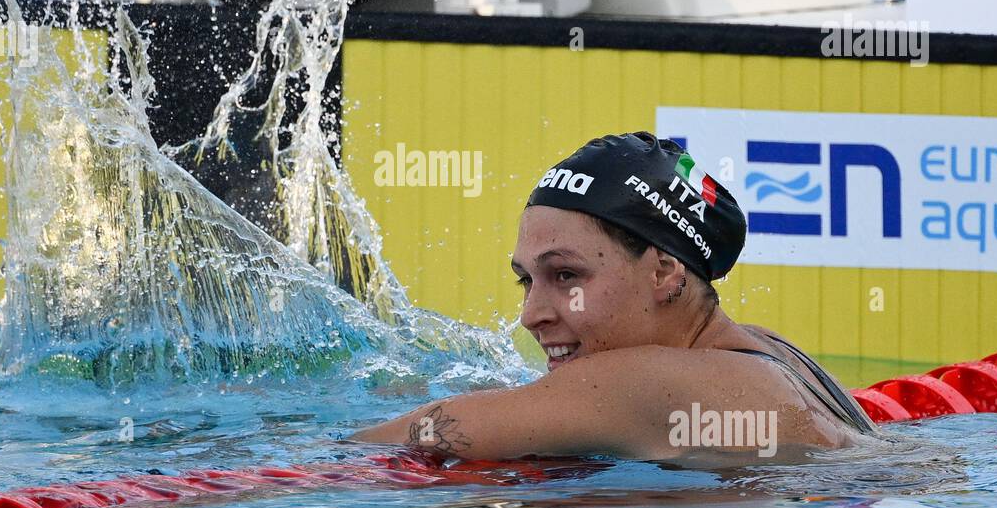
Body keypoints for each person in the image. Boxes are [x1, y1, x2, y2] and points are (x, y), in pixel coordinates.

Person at [351, 131, 877, 465]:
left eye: (566, 275)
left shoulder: (640, 383)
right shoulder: (768, 351)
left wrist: (293, 470)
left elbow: (400, 441)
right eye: (526, 280)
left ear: (665, 273)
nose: (531, 315)